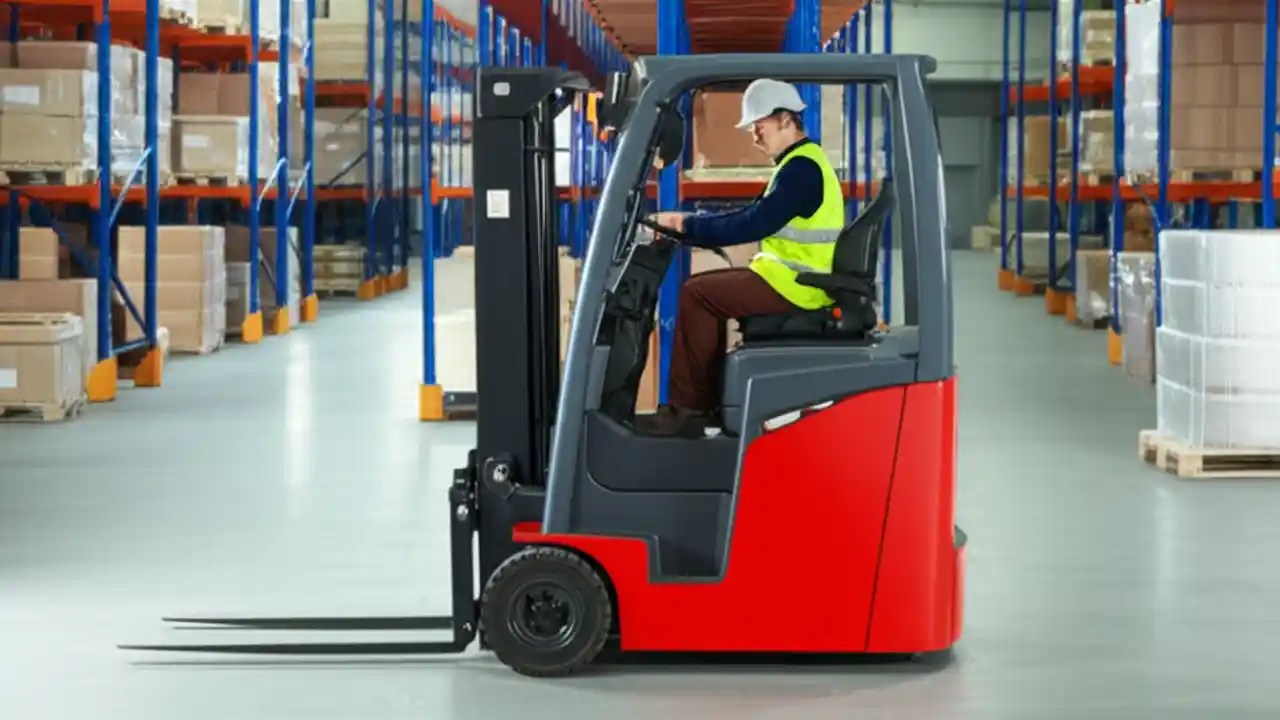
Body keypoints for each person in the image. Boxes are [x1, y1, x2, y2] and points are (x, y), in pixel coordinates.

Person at [638, 78, 846, 438]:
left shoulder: (802, 169)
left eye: (759, 125)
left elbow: (752, 223)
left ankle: (689, 413)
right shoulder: (798, 164)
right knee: (707, 290)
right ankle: (711, 404)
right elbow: (753, 214)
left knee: (697, 294)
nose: (754, 136)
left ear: (784, 119)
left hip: (798, 286)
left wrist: (688, 226)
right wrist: (692, 225)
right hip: (793, 281)